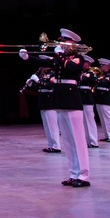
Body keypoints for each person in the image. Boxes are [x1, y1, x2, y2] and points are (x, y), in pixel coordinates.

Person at [21, 28, 90, 187]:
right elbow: (44, 62)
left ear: (73, 44)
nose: (62, 44)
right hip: (60, 100)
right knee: (67, 141)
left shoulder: (78, 58)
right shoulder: (59, 58)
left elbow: (70, 68)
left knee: (78, 141)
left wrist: (58, 54)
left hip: (72, 100)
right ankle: (74, 173)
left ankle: (84, 176)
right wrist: (27, 57)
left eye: (65, 41)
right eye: (61, 41)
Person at [95, 57, 110, 143]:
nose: (103, 68)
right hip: (99, 97)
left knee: (108, 117)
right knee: (103, 118)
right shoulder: (100, 74)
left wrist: (96, 80)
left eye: (105, 66)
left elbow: (106, 83)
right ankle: (107, 135)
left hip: (105, 97)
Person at [79, 55, 99, 148]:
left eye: (86, 63)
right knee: (82, 121)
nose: (84, 64)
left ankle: (93, 141)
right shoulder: (79, 72)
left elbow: (87, 80)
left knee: (89, 120)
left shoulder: (90, 73)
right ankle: (87, 140)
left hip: (87, 97)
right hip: (79, 97)